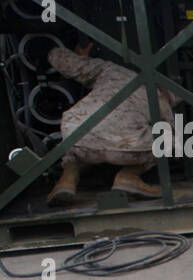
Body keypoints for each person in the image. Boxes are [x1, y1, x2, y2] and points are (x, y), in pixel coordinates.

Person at [44, 40, 177, 205]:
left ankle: (67, 180)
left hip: (78, 141)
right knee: (170, 138)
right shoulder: (162, 101)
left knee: (77, 133)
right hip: (124, 151)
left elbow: (61, 59)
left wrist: (58, 52)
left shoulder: (112, 71)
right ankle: (128, 177)